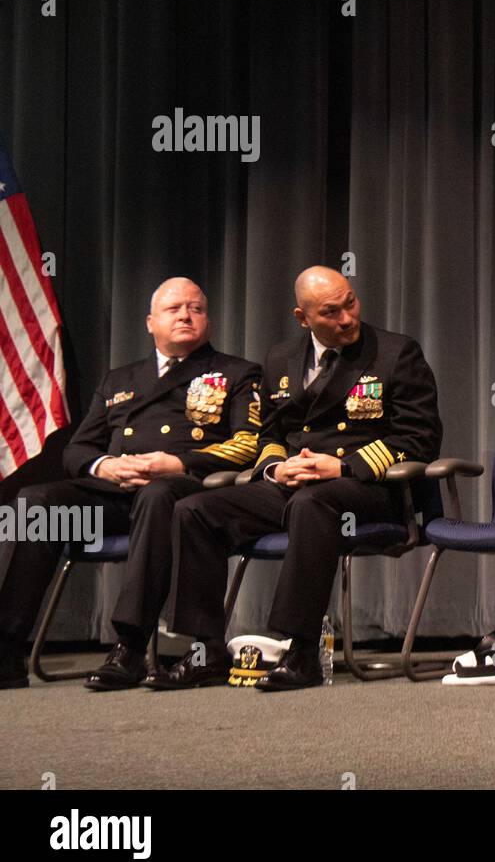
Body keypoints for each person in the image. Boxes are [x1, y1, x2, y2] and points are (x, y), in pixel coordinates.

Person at [152, 267, 441, 691]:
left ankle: (301, 650)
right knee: (194, 509)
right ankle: (206, 651)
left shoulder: (395, 353)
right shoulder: (280, 359)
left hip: (370, 488)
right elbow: (270, 433)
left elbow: (422, 438)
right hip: (294, 482)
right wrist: (274, 468)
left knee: (313, 503)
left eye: (350, 303)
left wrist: (340, 466)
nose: (347, 318)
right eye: (330, 312)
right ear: (303, 318)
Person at [0, 278, 260, 690]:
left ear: (207, 319)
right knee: (35, 502)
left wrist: (177, 462)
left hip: (185, 493)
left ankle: (130, 647)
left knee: (158, 495)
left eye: (195, 308)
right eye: (174, 309)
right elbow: (77, 449)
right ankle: (6, 649)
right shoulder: (120, 379)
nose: (185, 315)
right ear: (150, 322)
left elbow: (249, 444)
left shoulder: (236, 373)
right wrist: (104, 467)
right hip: (113, 501)